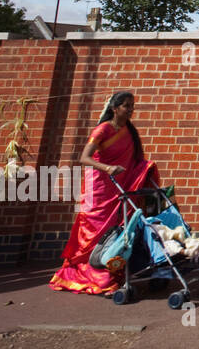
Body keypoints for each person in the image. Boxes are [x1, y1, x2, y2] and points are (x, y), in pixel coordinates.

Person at [50, 91, 161, 295]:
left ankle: (111, 272)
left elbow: (134, 160)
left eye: (132, 105)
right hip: (100, 187)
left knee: (115, 230)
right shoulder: (103, 130)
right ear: (114, 108)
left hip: (119, 184)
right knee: (93, 231)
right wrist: (108, 168)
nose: (130, 109)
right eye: (126, 106)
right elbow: (84, 157)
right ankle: (85, 272)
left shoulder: (129, 130)